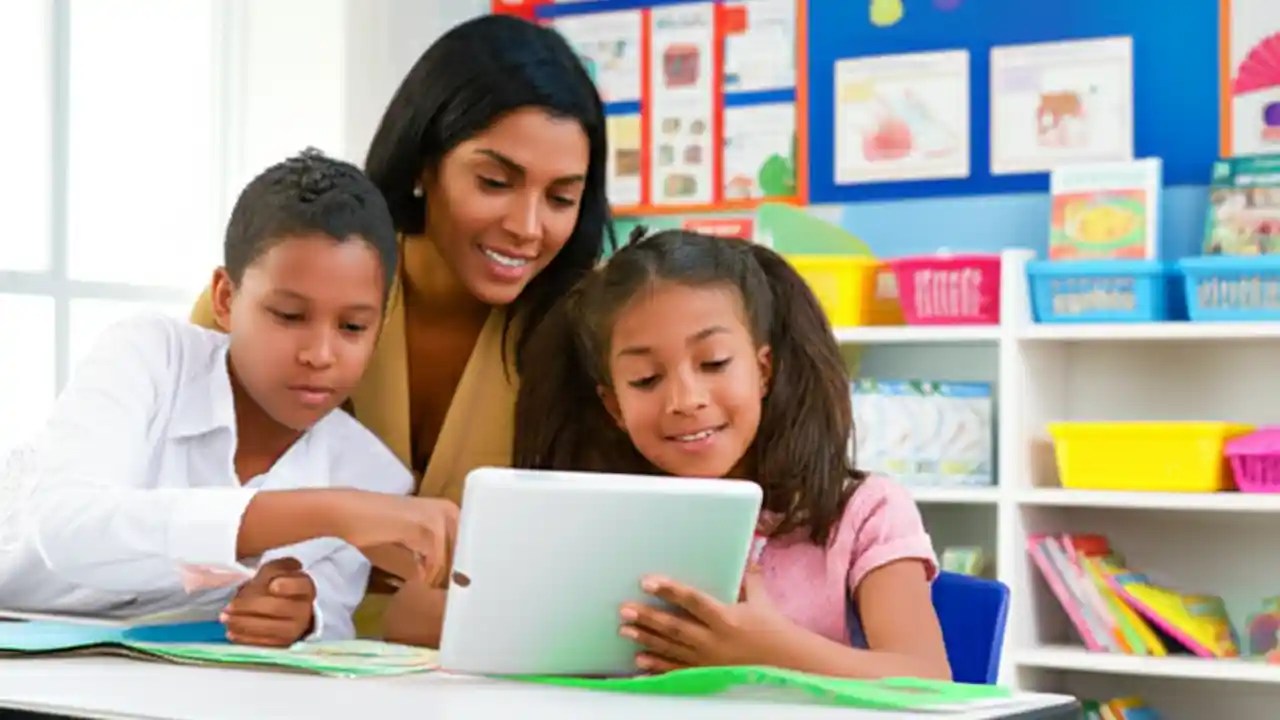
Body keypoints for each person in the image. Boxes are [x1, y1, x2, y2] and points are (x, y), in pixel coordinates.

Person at [188, 14, 613, 643]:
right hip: (269, 654)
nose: (527, 227)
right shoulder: (291, 285)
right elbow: (171, 498)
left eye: (560, 198)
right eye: (495, 182)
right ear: (422, 165)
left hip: (485, 674)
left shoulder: (591, 328)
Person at [0, 150, 457, 647]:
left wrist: (297, 616)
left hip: (116, 678)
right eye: (288, 315)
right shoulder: (151, 356)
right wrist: (333, 512)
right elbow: (68, 530)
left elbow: (330, 617)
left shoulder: (370, 478)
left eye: (352, 327)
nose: (320, 354)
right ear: (224, 299)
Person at [513, 229, 951, 680]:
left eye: (715, 362)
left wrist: (770, 651)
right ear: (614, 406)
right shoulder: (599, 518)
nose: (685, 399)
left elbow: (928, 681)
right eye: (646, 379)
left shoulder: (863, 510)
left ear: (762, 370)